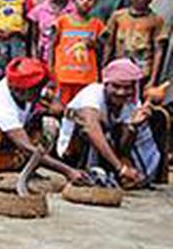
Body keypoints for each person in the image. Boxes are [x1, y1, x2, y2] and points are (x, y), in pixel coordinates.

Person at [0, 57, 86, 183]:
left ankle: (21, 166)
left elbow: (54, 103)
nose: (39, 93)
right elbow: (26, 147)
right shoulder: (0, 104)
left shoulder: (23, 86)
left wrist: (72, 115)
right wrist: (68, 171)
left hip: (8, 141)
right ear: (20, 90)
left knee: (45, 125)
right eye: (36, 90)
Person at [58, 58, 167, 188]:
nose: (121, 92)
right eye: (116, 86)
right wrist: (120, 168)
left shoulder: (131, 104)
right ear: (106, 84)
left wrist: (133, 126)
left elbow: (123, 148)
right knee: (92, 127)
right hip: (74, 152)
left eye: (127, 88)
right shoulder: (93, 93)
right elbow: (92, 129)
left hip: (108, 152)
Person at [105, 0, 165, 88]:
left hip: (142, 73)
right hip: (119, 69)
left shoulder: (156, 20)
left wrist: (153, 79)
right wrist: (105, 66)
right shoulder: (118, 16)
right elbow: (109, 44)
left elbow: (158, 51)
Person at [51, 0, 106, 105]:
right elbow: (52, 45)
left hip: (87, 76)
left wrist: (93, 44)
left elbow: (103, 48)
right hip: (64, 75)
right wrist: (51, 68)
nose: (85, 2)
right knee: (63, 107)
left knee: (83, 106)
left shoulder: (97, 24)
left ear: (95, 2)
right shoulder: (62, 21)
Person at [28, 0, 74, 65]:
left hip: (69, 61)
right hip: (44, 60)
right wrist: (35, 59)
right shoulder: (39, 10)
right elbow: (33, 39)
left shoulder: (75, 10)